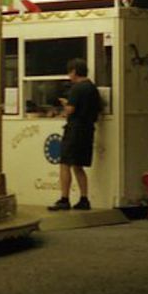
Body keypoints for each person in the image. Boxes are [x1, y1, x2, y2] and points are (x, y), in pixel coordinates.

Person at [48, 58, 102, 211]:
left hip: (75, 129)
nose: (69, 76)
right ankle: (84, 198)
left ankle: (64, 199)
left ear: (74, 71)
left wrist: (65, 105)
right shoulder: (92, 88)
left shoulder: (77, 89)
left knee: (65, 163)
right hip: (88, 129)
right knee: (78, 165)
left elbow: (71, 110)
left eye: (69, 72)